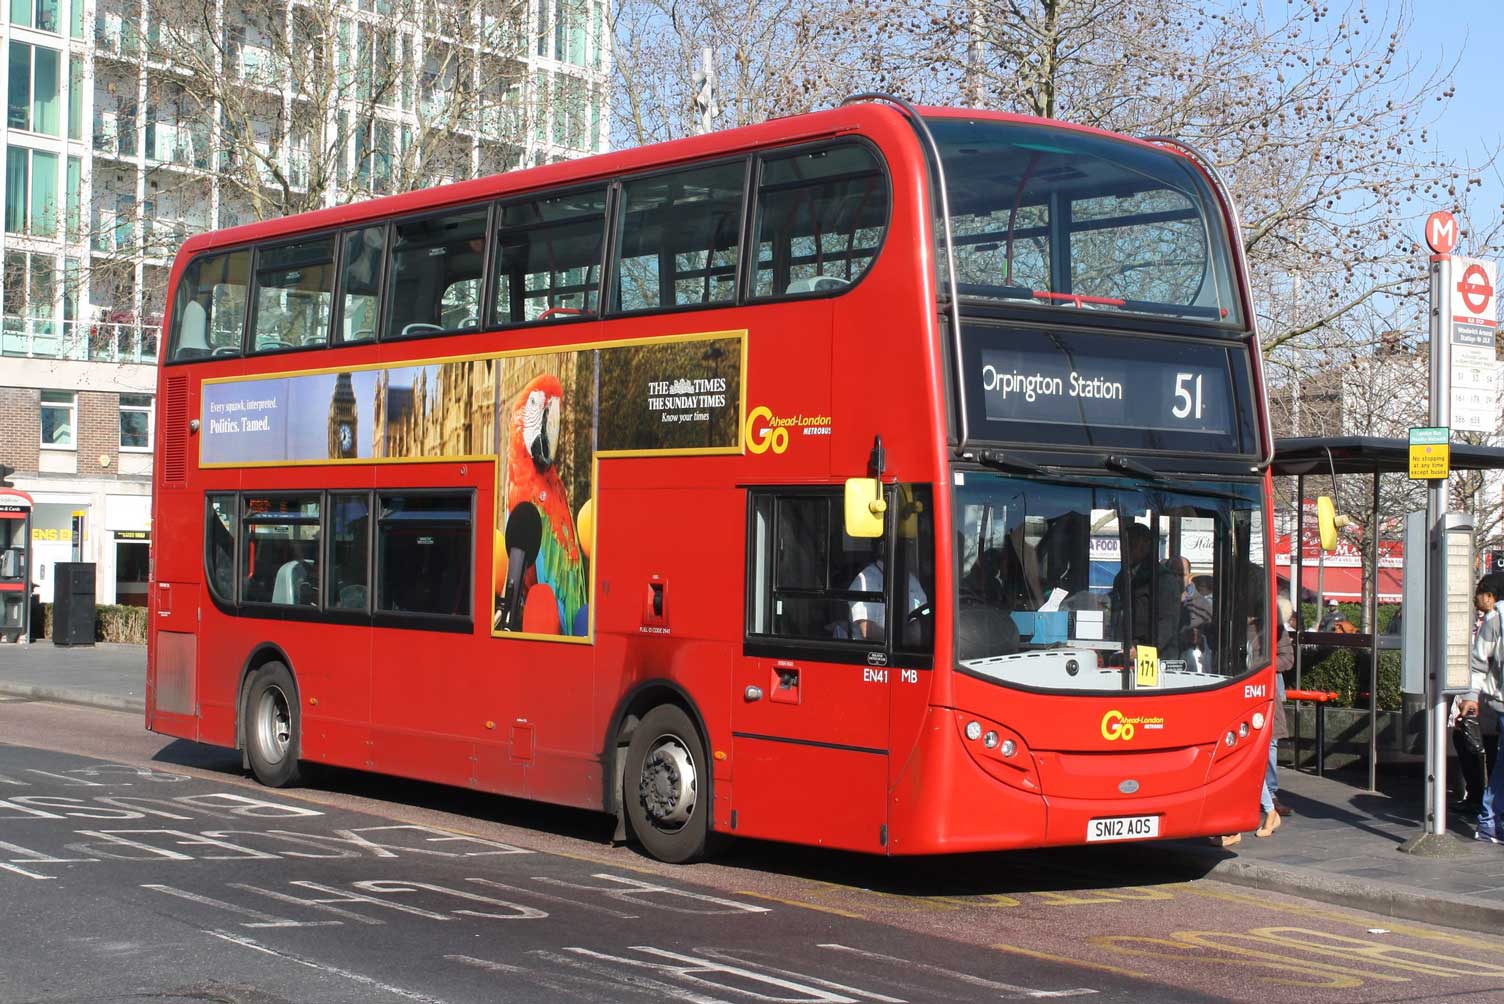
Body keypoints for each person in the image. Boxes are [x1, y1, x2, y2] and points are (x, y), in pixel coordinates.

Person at [1463, 581, 1504, 830]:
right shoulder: (1495, 619)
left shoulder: (1495, 618)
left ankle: (1490, 819)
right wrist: (1471, 695)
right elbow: (1480, 663)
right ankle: (1490, 820)